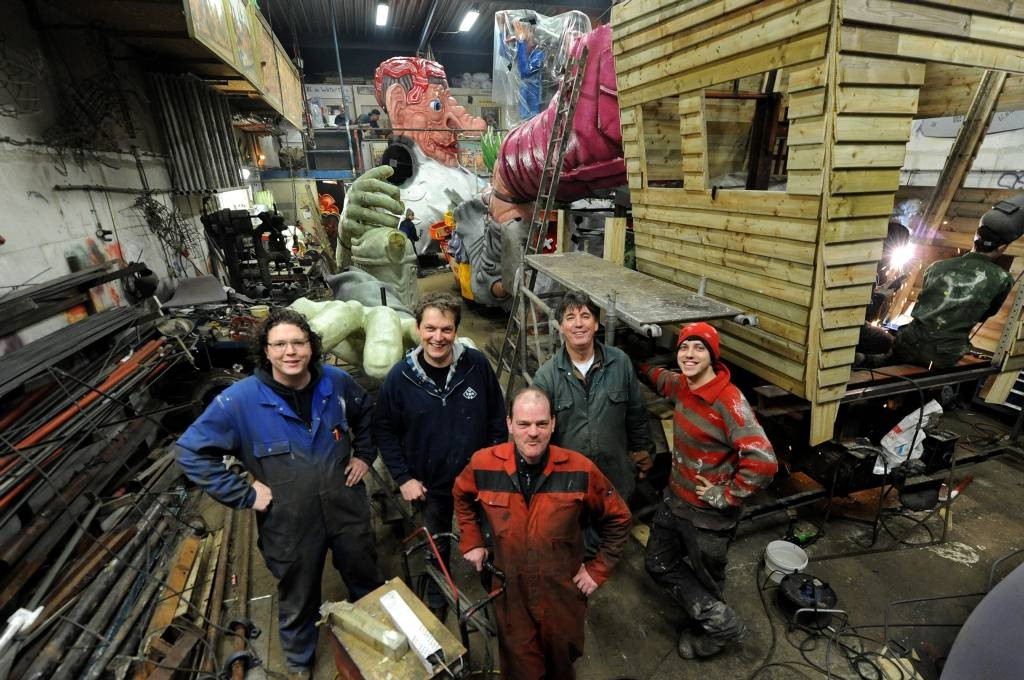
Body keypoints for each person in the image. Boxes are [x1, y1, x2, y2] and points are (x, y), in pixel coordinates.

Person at [176, 309, 383, 678]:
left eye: (298, 342)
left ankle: (378, 640)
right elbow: (191, 451)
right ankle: (300, 661)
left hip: (345, 505)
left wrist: (365, 456)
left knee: (365, 576)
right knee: (298, 595)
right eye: (280, 344)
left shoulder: (335, 382)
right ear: (266, 351)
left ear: (311, 347)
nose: (290, 351)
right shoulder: (238, 401)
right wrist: (243, 492)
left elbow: (367, 412)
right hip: (288, 522)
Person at [453, 387, 632, 680]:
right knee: (522, 667)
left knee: (562, 660)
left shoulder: (579, 470)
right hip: (510, 589)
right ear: (510, 424)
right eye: (523, 424)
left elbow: (619, 518)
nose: (532, 433)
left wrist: (597, 570)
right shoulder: (484, 464)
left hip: (561, 591)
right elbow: (461, 494)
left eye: (541, 424)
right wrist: (471, 539)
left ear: (553, 424)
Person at [639, 322, 777, 660]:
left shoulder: (728, 402)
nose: (689, 354)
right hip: (676, 501)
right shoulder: (683, 386)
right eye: (684, 347)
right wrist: (631, 362)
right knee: (658, 562)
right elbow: (659, 377)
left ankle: (718, 629)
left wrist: (725, 494)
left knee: (709, 580)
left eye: (699, 348)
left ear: (713, 355)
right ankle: (714, 615)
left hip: (708, 517)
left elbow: (764, 461)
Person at [373, 292, 506, 617]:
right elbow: (384, 430)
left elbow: (496, 417)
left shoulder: (476, 366)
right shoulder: (399, 378)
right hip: (429, 486)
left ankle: (497, 596)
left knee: (491, 540)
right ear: (418, 329)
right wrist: (404, 478)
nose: (438, 337)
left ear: (456, 330)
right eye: (431, 328)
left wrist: (497, 466)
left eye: (446, 329)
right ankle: (437, 597)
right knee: (436, 545)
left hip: (479, 480)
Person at [532, 291, 653, 504]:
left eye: (585, 316)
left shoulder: (620, 363)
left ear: (596, 324)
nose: (578, 324)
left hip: (615, 479)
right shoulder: (547, 376)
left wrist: (643, 451)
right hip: (568, 484)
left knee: (614, 532)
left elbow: (636, 413)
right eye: (570, 318)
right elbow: (537, 433)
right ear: (561, 327)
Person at [890, 193, 1024, 368]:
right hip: (943, 356)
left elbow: (928, 300)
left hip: (906, 343)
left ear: (975, 237)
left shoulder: (936, 267)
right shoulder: (1002, 279)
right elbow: (986, 314)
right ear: (1002, 247)